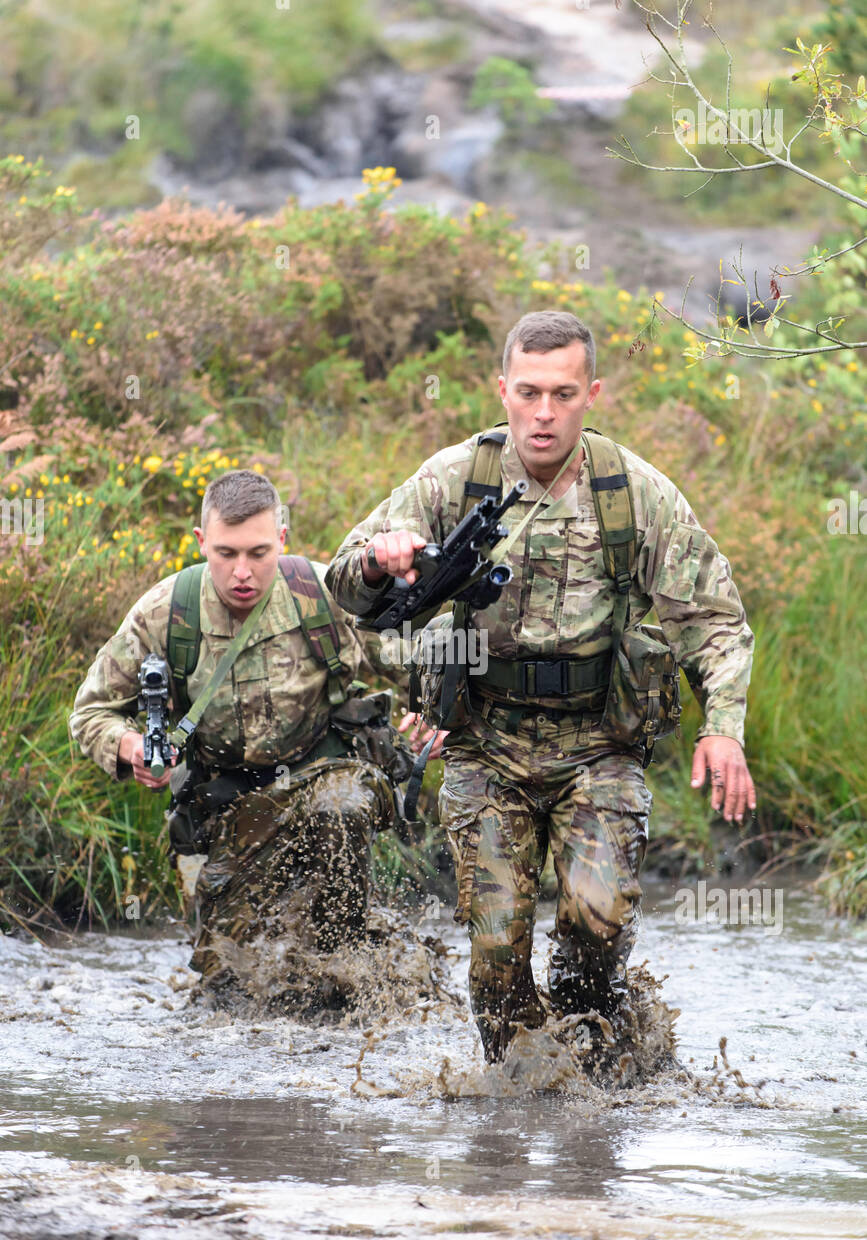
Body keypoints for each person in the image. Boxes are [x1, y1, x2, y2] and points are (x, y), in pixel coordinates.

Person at [325, 310, 756, 1062]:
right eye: (528, 392)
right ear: (502, 390)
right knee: (495, 946)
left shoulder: (634, 494)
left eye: (563, 394)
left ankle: (595, 1050)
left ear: (593, 393)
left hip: (599, 743)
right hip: (484, 741)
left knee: (597, 920)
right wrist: (376, 559)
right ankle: (518, 1091)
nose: (544, 413)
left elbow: (713, 620)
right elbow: (346, 587)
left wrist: (722, 726)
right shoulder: (456, 477)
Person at [69, 469, 410, 995]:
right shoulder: (167, 612)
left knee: (339, 810)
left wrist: (431, 712)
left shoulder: (321, 595)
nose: (242, 572)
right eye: (226, 553)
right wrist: (130, 747)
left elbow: (409, 660)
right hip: (229, 810)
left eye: (258, 552)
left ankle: (348, 964)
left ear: (282, 540)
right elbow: (90, 712)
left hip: (323, 776)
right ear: (202, 541)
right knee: (228, 988)